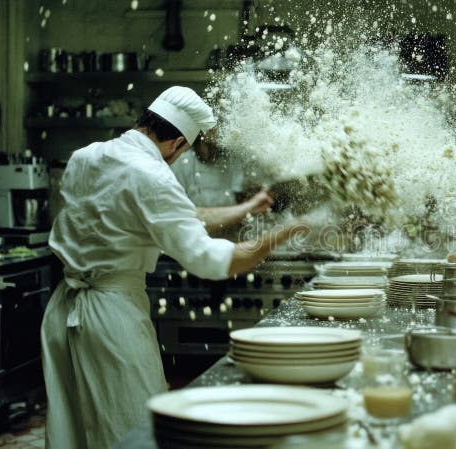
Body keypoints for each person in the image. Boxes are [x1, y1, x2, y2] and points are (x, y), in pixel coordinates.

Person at [41, 86, 307, 449]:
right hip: (110, 318)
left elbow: (179, 216)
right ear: (178, 142)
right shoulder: (152, 175)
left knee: (75, 430)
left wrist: (247, 208)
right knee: (134, 429)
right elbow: (212, 261)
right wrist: (282, 233)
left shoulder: (88, 156)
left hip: (63, 311)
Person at [172, 128, 272, 239]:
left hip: (232, 242)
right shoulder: (181, 162)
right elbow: (177, 216)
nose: (220, 129)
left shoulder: (236, 162)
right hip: (192, 241)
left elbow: (246, 203)